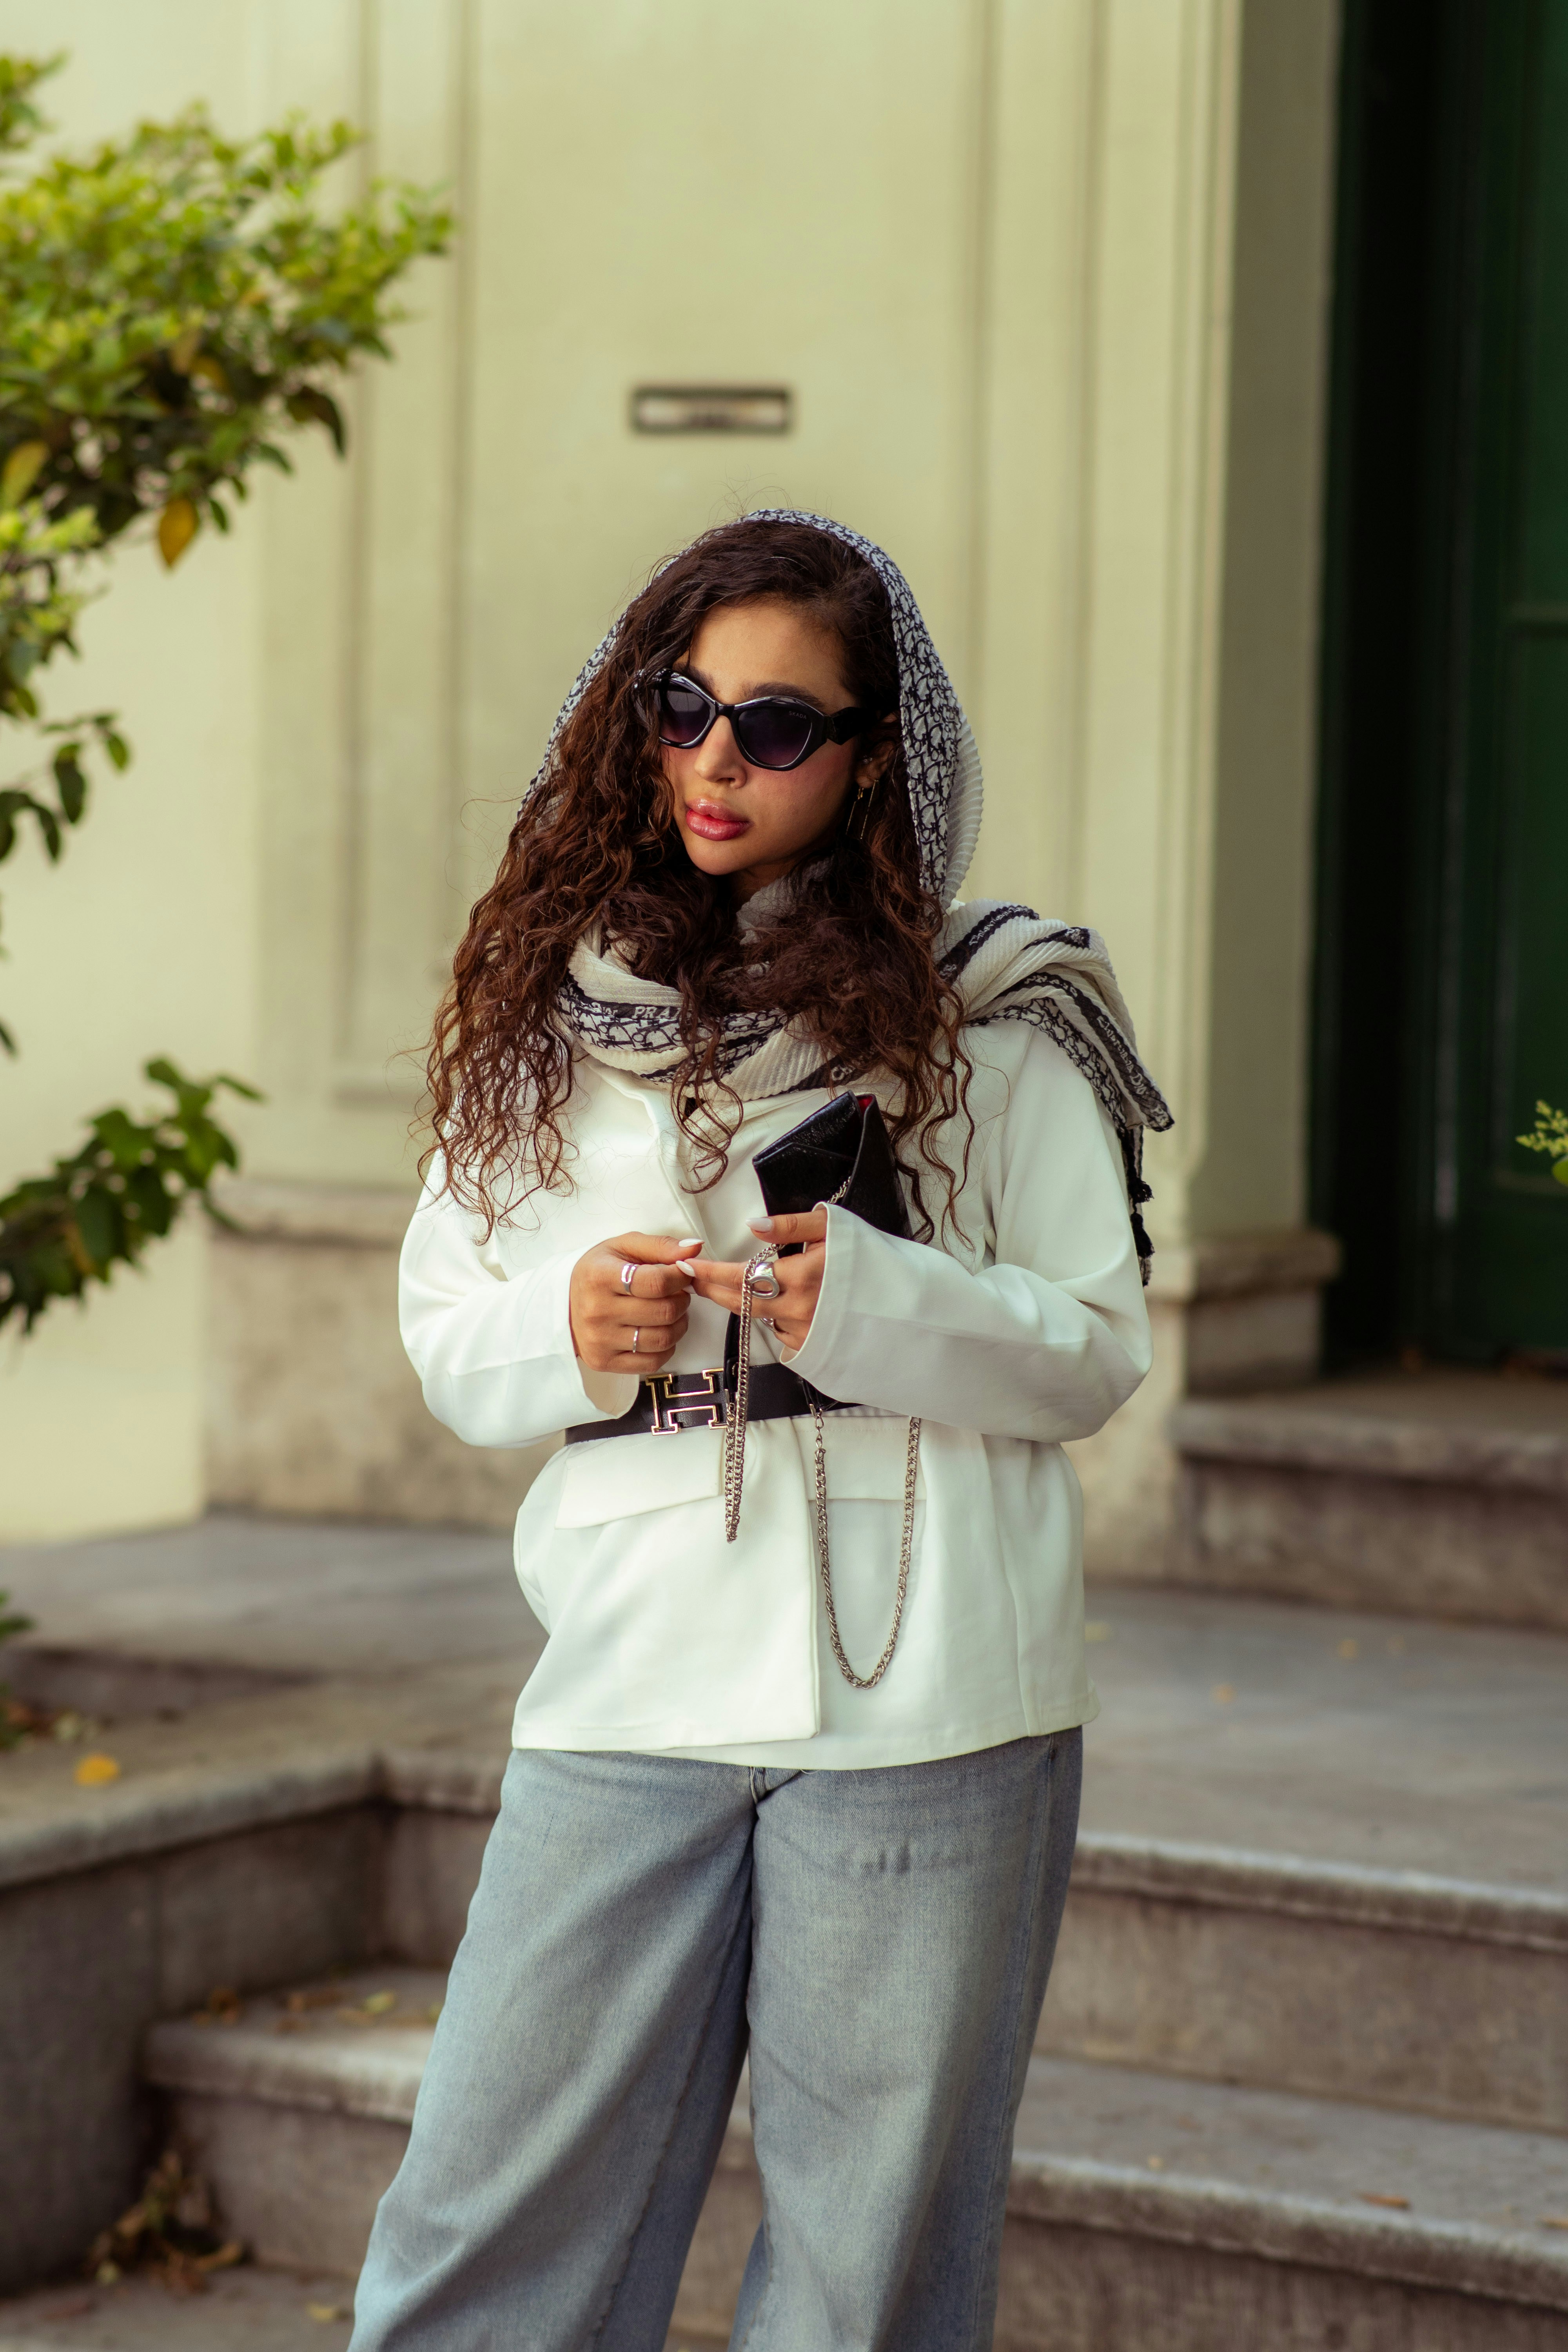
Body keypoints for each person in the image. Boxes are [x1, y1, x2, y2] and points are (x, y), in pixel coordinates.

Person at [348, 512, 1170, 2352]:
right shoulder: (550, 1028)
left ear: (874, 755)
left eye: (780, 725)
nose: (719, 758)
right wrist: (573, 1334)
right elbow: (449, 1338)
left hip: (933, 1689)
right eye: (682, 706)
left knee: (867, 2262)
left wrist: (876, 1307)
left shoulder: (999, 1018)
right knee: (484, 2217)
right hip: (631, 1681)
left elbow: (1094, 1352)